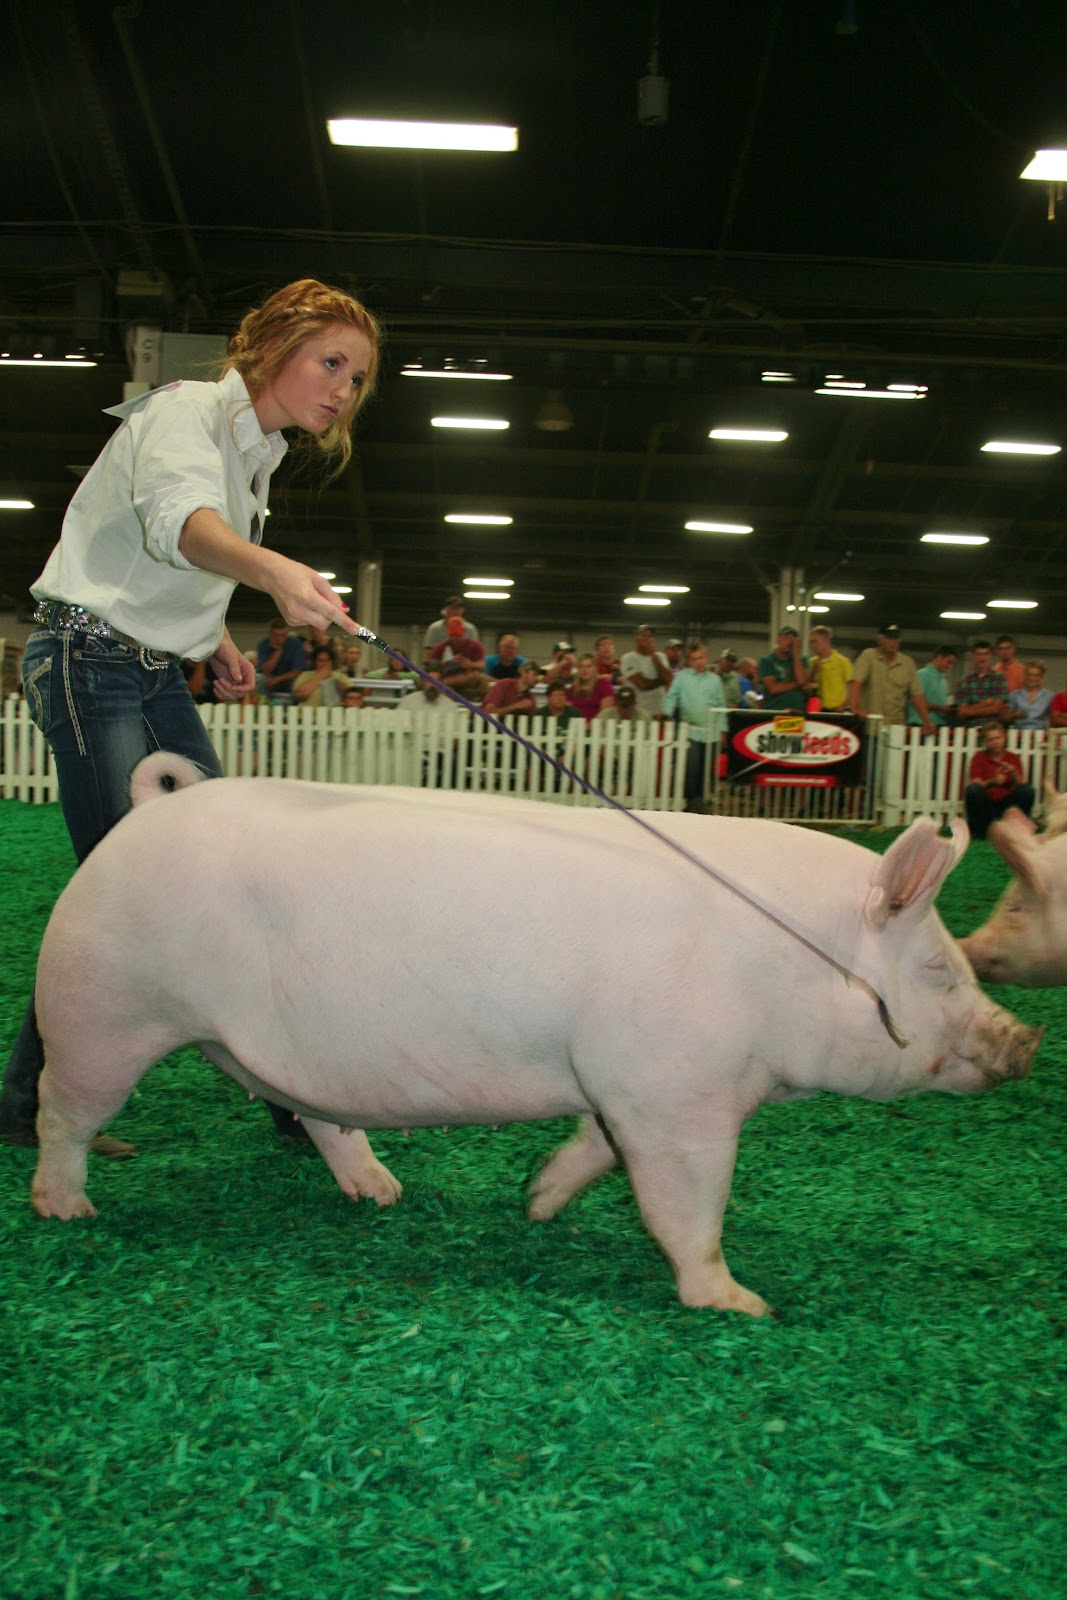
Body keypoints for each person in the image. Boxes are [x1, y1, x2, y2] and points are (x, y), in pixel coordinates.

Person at [0, 276, 381, 1153]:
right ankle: (33, 1104)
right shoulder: (183, 414)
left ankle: (287, 1092)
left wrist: (212, 639)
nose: (342, 389)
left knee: (199, 872)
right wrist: (275, 572)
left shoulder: (259, 451)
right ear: (274, 346)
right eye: (331, 363)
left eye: (356, 377)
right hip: (89, 660)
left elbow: (172, 559)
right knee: (129, 891)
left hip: (149, 668)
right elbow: (180, 525)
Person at [662, 640, 726, 812]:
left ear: (706, 658)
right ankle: (691, 802)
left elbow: (721, 705)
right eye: (694, 659)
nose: (698, 662)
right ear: (689, 661)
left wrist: (723, 730)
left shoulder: (715, 680)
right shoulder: (681, 677)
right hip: (689, 730)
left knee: (707, 769)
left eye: (701, 658)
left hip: (711, 731)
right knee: (691, 767)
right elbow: (671, 697)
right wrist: (666, 714)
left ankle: (705, 800)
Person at [846, 625, 934, 734]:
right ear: (880, 640)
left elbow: (917, 695)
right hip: (870, 725)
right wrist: (854, 708)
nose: (893, 642)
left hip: (896, 726)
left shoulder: (907, 663)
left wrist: (926, 721)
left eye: (896, 638)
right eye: (889, 638)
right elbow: (856, 682)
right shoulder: (868, 656)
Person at [964, 721, 1034, 840]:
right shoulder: (979, 757)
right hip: (986, 805)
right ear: (986, 743)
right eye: (991, 740)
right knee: (973, 790)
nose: (995, 742)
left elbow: (1019, 785)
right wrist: (992, 782)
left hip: (1007, 806)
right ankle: (980, 832)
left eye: (998, 738)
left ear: (1004, 738)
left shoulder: (1013, 758)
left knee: (1027, 790)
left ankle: (1017, 831)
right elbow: (976, 783)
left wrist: (1013, 772)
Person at [954, 640, 1012, 726]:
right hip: (971, 730)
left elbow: (997, 708)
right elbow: (962, 713)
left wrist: (970, 710)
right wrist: (986, 704)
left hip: (994, 729)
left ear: (990, 656)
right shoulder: (964, 681)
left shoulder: (999, 678)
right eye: (979, 654)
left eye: (986, 654)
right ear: (973, 655)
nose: (982, 658)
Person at [620, 624, 673, 715]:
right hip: (637, 713)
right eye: (644, 635)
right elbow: (642, 685)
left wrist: (654, 657)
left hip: (658, 711)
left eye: (650, 636)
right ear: (636, 638)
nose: (647, 639)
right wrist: (663, 680)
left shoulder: (661, 656)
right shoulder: (628, 658)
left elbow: (668, 678)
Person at [758, 627, 812, 712]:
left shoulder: (802, 660)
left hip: (798, 712)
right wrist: (798, 684)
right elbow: (774, 689)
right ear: (778, 639)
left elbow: (803, 681)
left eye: (792, 639)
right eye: (786, 638)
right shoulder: (767, 661)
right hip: (775, 711)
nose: (789, 642)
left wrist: (796, 653)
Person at [255, 617, 307, 702]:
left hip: (290, 679)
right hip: (270, 678)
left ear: (287, 634)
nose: (279, 639)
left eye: (283, 635)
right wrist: (277, 651)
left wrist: (277, 680)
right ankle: (266, 704)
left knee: (298, 682)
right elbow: (265, 671)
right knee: (259, 679)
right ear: (270, 634)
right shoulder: (264, 644)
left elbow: (297, 671)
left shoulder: (295, 644)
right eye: (276, 635)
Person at [907, 645, 958, 727]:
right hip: (920, 724)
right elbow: (916, 701)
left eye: (952, 664)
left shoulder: (944, 681)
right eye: (948, 662)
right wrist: (942, 709)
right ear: (939, 657)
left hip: (938, 725)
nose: (950, 666)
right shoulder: (921, 675)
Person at [807, 625, 852, 711]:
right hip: (817, 709)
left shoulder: (842, 661)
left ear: (826, 641)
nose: (813, 645)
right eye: (811, 642)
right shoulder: (812, 662)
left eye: (815, 641)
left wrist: (844, 705)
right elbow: (807, 686)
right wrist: (813, 671)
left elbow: (852, 688)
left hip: (836, 710)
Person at [567, 653, 616, 722]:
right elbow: (568, 714)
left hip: (598, 727)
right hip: (576, 728)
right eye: (581, 666)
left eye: (589, 666)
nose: (585, 670)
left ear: (595, 668)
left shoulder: (604, 684)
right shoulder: (572, 690)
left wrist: (589, 726)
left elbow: (605, 714)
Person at [1008, 661, 1052, 731]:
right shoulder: (1014, 695)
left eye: (1036, 675)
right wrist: (1015, 716)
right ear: (1024, 675)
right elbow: (1006, 720)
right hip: (1019, 734)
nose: (1032, 678)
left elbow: (1053, 719)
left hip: (1041, 735)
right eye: (1029, 675)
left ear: (1041, 677)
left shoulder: (1049, 696)